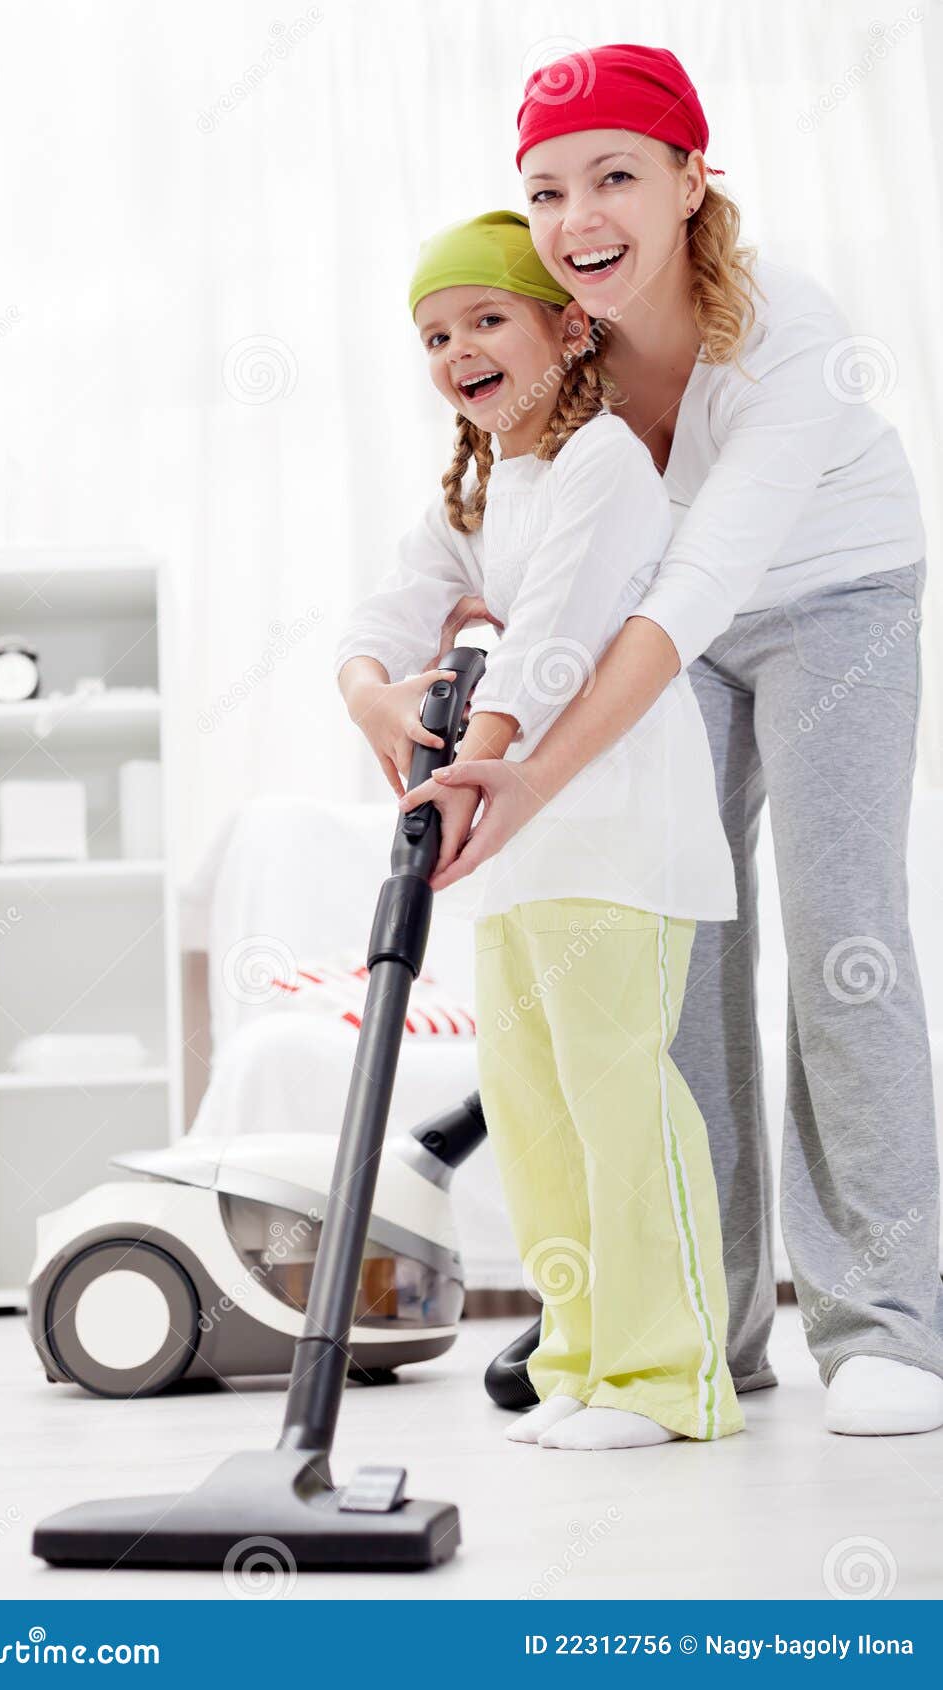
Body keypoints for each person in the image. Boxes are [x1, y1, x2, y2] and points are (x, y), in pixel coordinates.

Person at [401, 44, 943, 1436]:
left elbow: (706, 577)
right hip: (664, 622)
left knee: (841, 928)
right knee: (670, 943)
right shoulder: (559, 332)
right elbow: (522, 534)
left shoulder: (780, 326)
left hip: (833, 593)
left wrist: (530, 772)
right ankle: (690, 1322)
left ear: (690, 179)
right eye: (545, 190)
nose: (576, 218)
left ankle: (885, 1321)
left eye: (614, 177)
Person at [336, 209, 743, 1449]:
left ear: (568, 331)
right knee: (532, 1110)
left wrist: (483, 753)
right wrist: (368, 693)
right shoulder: (473, 495)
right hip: (514, 857)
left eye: (484, 318)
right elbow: (386, 614)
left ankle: (665, 1378)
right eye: (433, 334)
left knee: (618, 1101)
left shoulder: (602, 464)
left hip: (613, 837)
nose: (456, 348)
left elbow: (555, 636)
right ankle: (576, 1357)